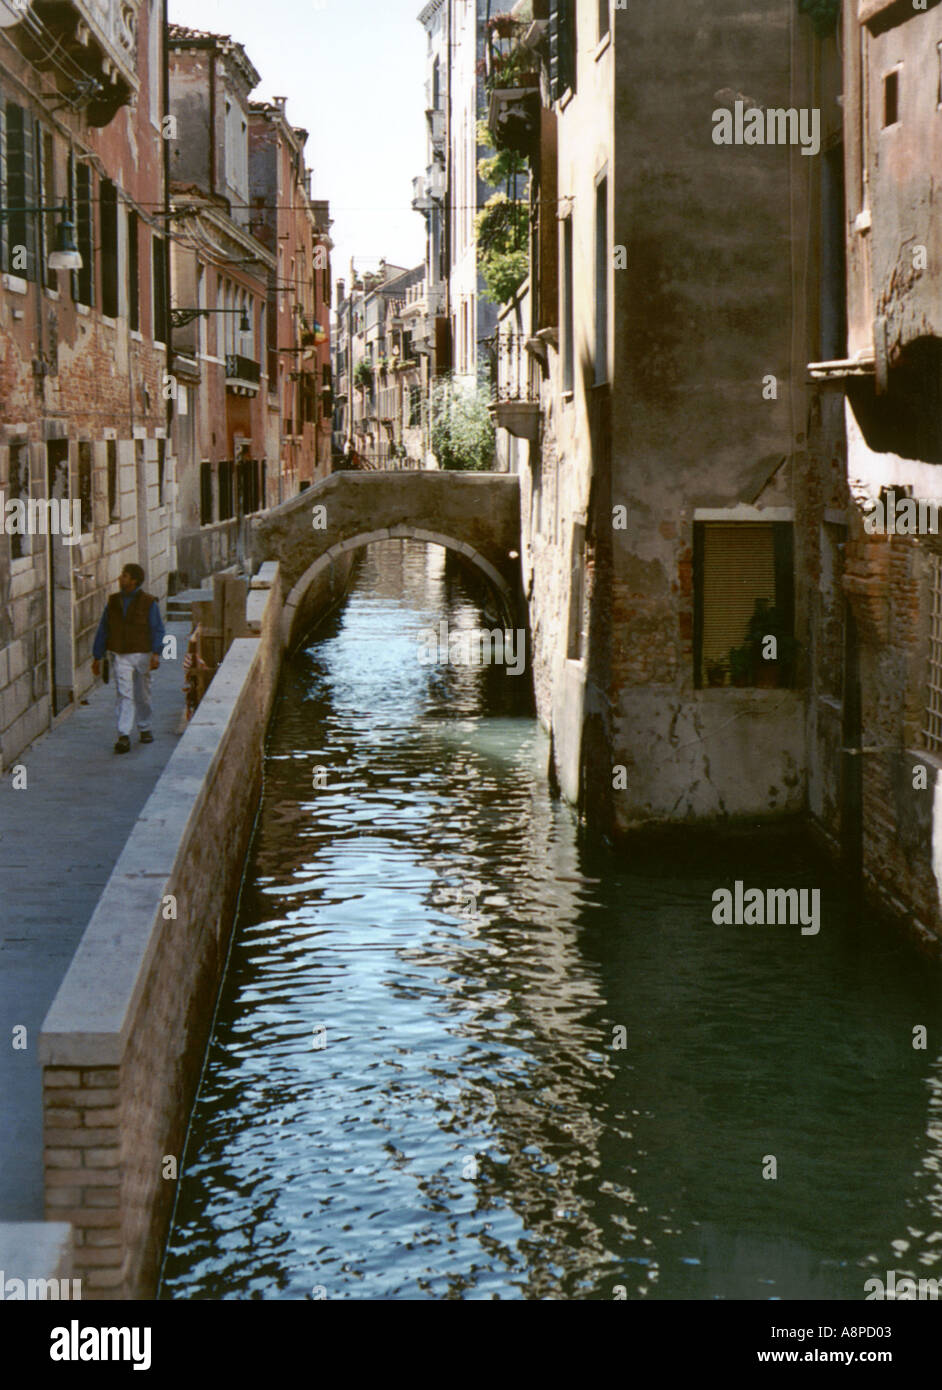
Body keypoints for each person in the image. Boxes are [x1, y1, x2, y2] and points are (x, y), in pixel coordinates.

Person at [91, 563, 165, 754]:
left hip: (142, 654)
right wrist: (97, 656)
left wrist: (157, 653)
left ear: (133, 580)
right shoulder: (113, 602)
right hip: (120, 654)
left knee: (143, 694)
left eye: (124, 576)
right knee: (124, 694)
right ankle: (123, 734)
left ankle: (145, 727)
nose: (120, 579)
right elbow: (104, 628)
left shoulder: (149, 602)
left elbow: (157, 628)